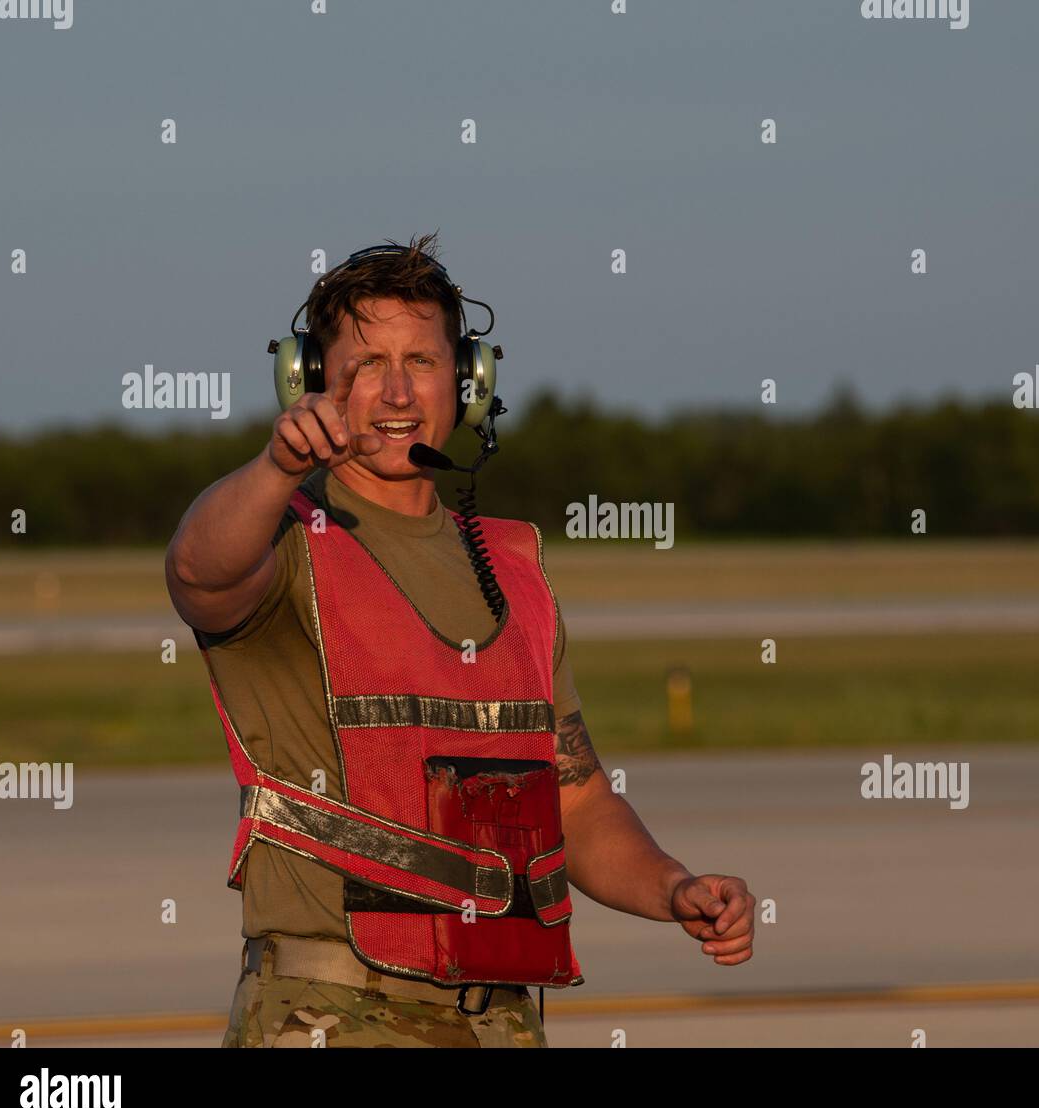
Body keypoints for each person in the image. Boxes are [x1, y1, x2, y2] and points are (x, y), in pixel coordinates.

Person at [164, 233, 755, 1048]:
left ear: (469, 382)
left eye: (423, 360)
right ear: (309, 382)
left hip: (499, 1019)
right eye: (367, 363)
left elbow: (576, 801)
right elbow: (198, 573)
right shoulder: (289, 539)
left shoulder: (513, 570)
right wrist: (273, 469)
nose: (397, 388)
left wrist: (674, 886)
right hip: (331, 1017)